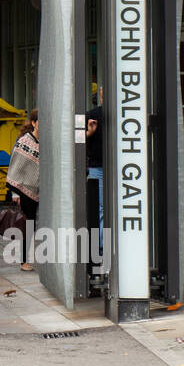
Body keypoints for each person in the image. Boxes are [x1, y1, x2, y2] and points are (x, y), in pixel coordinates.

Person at [7, 110, 40, 271]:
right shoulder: (24, 141)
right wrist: (15, 193)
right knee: (28, 226)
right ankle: (24, 260)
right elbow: (16, 167)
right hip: (24, 191)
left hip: (42, 191)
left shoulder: (48, 142)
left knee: (34, 226)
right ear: (34, 122)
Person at [85, 95, 104, 256]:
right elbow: (79, 140)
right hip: (98, 167)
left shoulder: (92, 115)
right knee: (100, 207)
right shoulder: (92, 115)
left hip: (97, 166)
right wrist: (89, 134)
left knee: (100, 207)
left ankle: (100, 245)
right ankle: (101, 245)